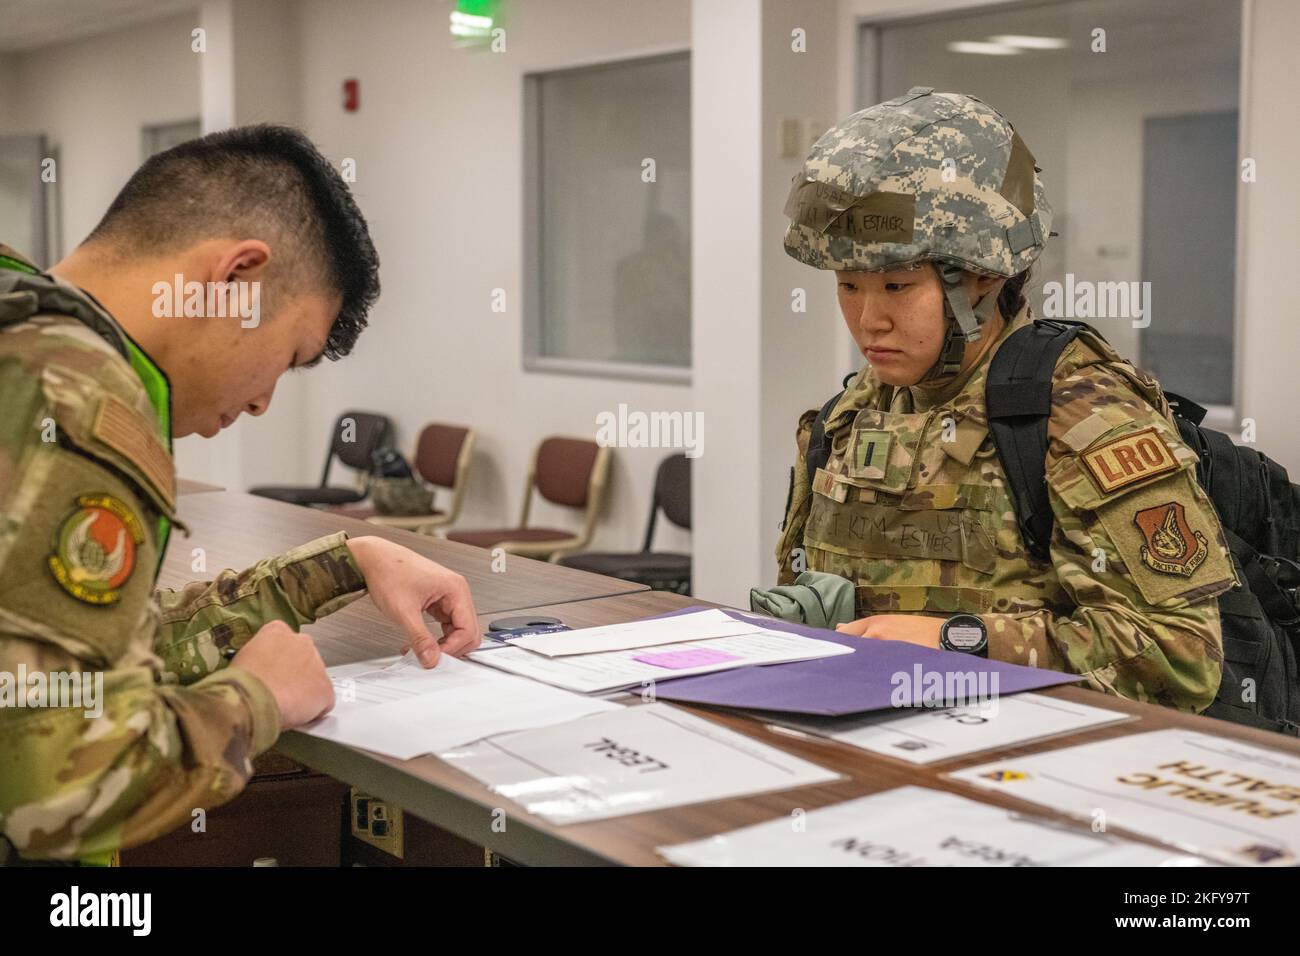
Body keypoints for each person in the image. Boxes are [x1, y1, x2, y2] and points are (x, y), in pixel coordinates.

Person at [0, 125, 479, 863]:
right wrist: (260, 700)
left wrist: (339, 566)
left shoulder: (18, 326)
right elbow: (56, 790)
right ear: (237, 279)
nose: (262, 402)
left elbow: (73, 655)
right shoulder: (77, 400)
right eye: (287, 358)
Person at [775, 88, 1236, 712]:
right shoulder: (851, 414)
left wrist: (956, 641)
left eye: (897, 286)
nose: (868, 319)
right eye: (848, 285)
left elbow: (1179, 655)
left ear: (984, 278)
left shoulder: (1078, 412)